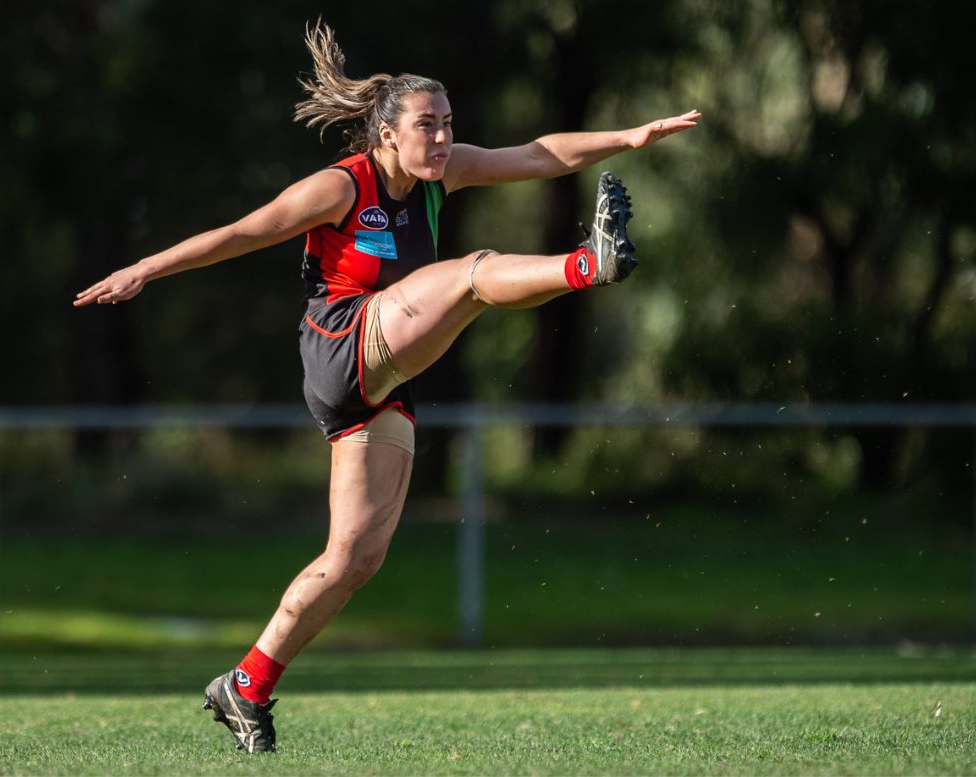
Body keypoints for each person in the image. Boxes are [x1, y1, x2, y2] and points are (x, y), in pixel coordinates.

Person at [74, 20, 700, 753]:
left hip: (385, 374)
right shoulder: (342, 185)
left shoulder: (444, 173)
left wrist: (627, 137)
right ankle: (590, 265)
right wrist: (146, 267)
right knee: (471, 275)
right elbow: (244, 232)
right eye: (427, 127)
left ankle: (245, 682)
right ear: (387, 132)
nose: (441, 139)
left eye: (448, 125)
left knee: (355, 558)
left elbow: (538, 154)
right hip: (340, 346)